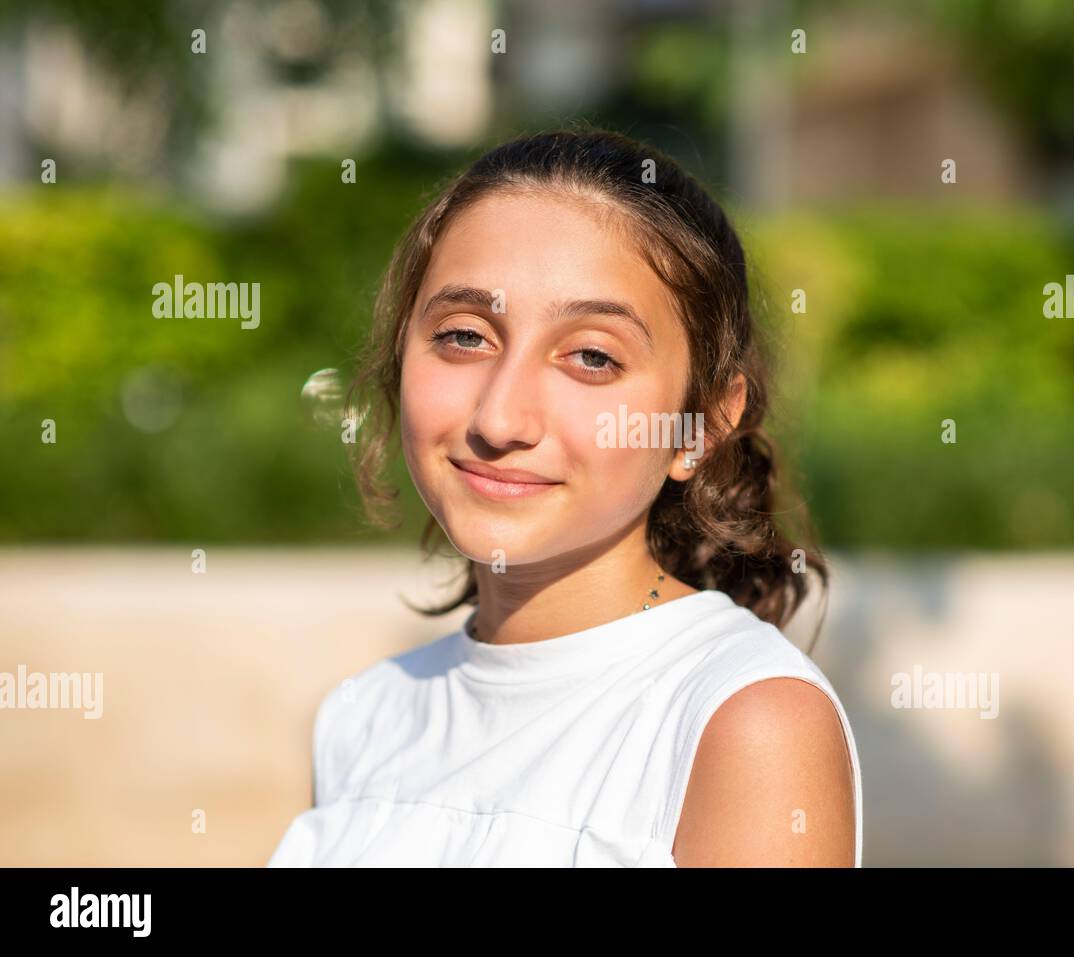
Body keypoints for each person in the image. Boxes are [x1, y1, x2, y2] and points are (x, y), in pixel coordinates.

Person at [267, 126, 862, 867]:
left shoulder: (744, 723)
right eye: (463, 337)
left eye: (591, 356)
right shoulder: (363, 716)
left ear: (701, 425)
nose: (499, 418)